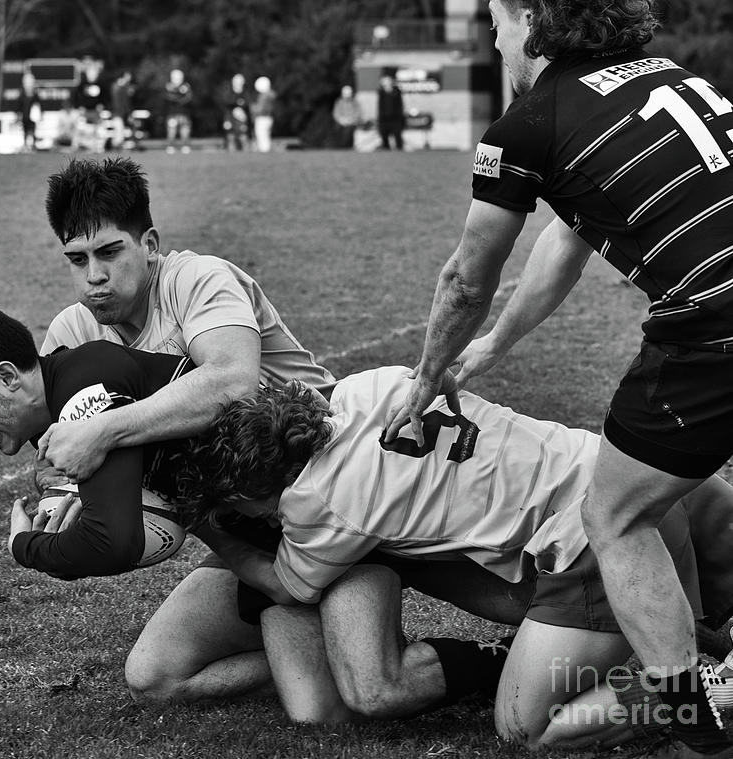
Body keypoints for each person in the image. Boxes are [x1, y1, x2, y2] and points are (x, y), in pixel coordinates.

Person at [383, 2, 733, 756]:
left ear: (536, 20)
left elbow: (465, 281)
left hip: (716, 325)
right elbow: (567, 238)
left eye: (498, 17)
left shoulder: (529, 125)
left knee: (615, 517)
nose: (493, 34)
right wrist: (491, 350)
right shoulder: (658, 78)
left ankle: (695, 711)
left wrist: (429, 370)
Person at [175, 367, 733, 749]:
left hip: (591, 535)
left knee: (528, 728)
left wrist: (215, 533)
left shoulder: (320, 507)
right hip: (620, 474)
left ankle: (716, 691)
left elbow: (286, 588)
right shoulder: (370, 387)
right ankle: (693, 646)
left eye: (243, 504)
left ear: (264, 486)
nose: (255, 518)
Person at [35, 156, 336, 703]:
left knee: (326, 709)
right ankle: (309, 650)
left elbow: (232, 382)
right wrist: (64, 493)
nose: (94, 276)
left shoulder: (196, 279)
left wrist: (105, 432)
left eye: (109, 252)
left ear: (148, 243)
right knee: (154, 678)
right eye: (76, 259)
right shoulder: (71, 333)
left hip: (331, 491)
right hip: (244, 524)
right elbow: (57, 454)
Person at [0, 296, 197, 579]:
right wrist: (65, 549)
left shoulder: (86, 391)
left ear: (8, 378)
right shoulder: (48, 415)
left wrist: (24, 546)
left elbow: (111, 545)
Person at [74, 57, 106, 151]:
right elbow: (77, 96)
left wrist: (101, 105)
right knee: (80, 128)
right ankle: (77, 146)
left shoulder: (100, 84)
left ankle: (98, 147)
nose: (92, 75)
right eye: (90, 73)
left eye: (94, 73)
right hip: (85, 111)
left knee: (99, 129)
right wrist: (80, 106)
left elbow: (104, 97)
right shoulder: (83, 84)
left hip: (96, 111)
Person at [163, 69, 193, 154]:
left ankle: (185, 146)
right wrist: (179, 95)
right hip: (172, 113)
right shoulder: (168, 86)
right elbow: (168, 97)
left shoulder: (186, 86)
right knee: (171, 130)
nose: (177, 79)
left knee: (185, 129)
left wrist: (177, 96)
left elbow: (188, 98)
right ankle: (170, 146)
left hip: (184, 112)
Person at [222, 73, 252, 152]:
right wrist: (237, 103)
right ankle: (231, 155)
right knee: (230, 136)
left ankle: (247, 155)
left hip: (242, 119)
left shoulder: (245, 93)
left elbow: (247, 104)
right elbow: (227, 102)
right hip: (230, 118)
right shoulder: (229, 92)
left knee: (243, 137)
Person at [376, 74, 404, 151]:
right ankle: (386, 149)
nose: (385, 83)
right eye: (384, 81)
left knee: (397, 135)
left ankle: (399, 149)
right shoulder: (381, 92)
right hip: (384, 119)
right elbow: (380, 107)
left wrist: (400, 117)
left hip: (395, 118)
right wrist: (380, 118)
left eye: (387, 81)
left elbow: (400, 106)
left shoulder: (396, 92)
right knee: (384, 135)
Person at [109, 71, 135, 151]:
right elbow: (117, 102)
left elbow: (126, 103)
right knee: (119, 130)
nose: (129, 79)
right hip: (117, 112)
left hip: (123, 113)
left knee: (121, 130)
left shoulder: (124, 88)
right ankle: (115, 146)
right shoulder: (117, 87)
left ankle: (117, 145)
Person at [17, 72, 42, 152]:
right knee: (25, 132)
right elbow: (19, 106)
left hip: (32, 117)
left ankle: (33, 146)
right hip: (25, 116)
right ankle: (25, 145)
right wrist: (18, 115)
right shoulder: (22, 94)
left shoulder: (35, 94)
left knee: (33, 131)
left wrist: (39, 115)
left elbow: (38, 105)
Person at [332, 85, 362, 149]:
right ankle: (338, 146)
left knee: (348, 131)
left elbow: (358, 113)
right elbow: (336, 113)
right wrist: (341, 120)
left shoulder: (355, 102)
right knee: (337, 129)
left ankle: (346, 147)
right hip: (341, 122)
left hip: (352, 122)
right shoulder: (339, 102)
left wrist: (351, 120)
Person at [251, 76, 276, 153]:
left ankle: (264, 151)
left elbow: (260, 109)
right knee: (265, 135)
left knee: (262, 135)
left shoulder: (264, 96)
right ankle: (266, 150)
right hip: (269, 118)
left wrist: (253, 108)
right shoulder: (271, 95)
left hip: (262, 118)